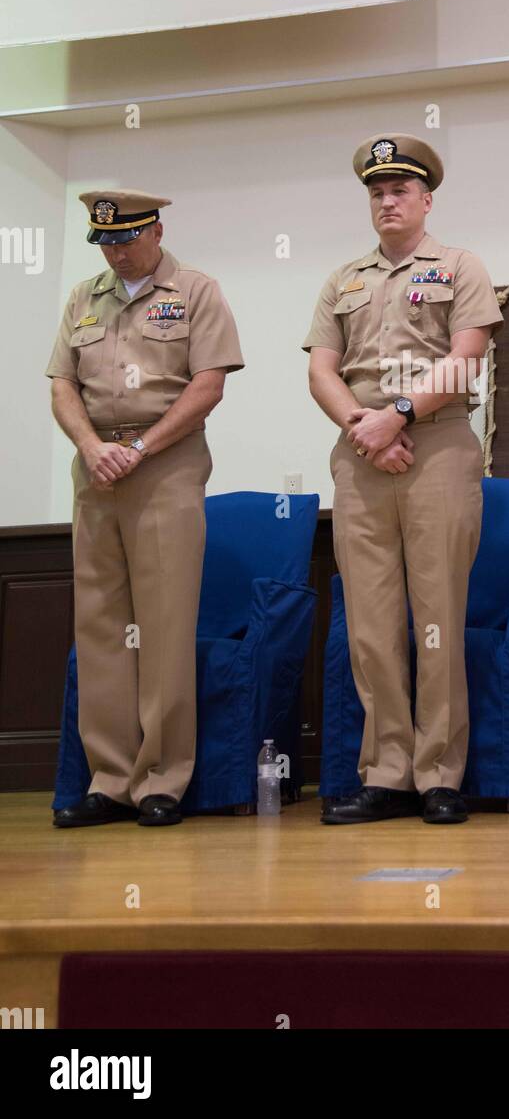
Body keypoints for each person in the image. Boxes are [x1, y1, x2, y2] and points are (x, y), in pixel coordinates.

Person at [304, 134, 503, 824]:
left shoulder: (458, 265)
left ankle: (439, 773)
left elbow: (465, 357)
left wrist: (397, 416)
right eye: (376, 193)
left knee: (436, 618)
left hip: (438, 447)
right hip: (360, 452)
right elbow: (321, 369)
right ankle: (386, 772)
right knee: (370, 623)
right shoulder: (343, 280)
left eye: (399, 191)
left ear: (425, 200)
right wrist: (364, 426)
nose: (387, 202)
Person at [47, 190, 244, 827]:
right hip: (96, 468)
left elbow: (208, 385)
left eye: (126, 239)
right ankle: (109, 778)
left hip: (165, 465)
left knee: (162, 625)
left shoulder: (195, 290)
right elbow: (62, 384)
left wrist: (140, 448)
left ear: (156, 231)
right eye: (105, 241)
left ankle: (163, 777)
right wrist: (90, 446)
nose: (116, 251)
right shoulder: (84, 296)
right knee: (102, 625)